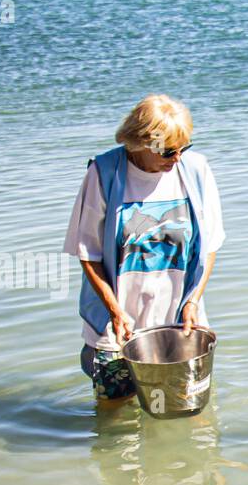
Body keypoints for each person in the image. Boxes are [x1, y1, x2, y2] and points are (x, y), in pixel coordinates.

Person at [64, 94, 225, 403]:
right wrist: (115, 312)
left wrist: (192, 302)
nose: (176, 157)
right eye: (167, 150)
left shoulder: (196, 170)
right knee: (115, 421)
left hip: (180, 324)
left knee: (189, 413)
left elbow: (211, 246)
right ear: (139, 142)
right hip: (115, 330)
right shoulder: (104, 173)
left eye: (183, 148)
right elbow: (88, 252)